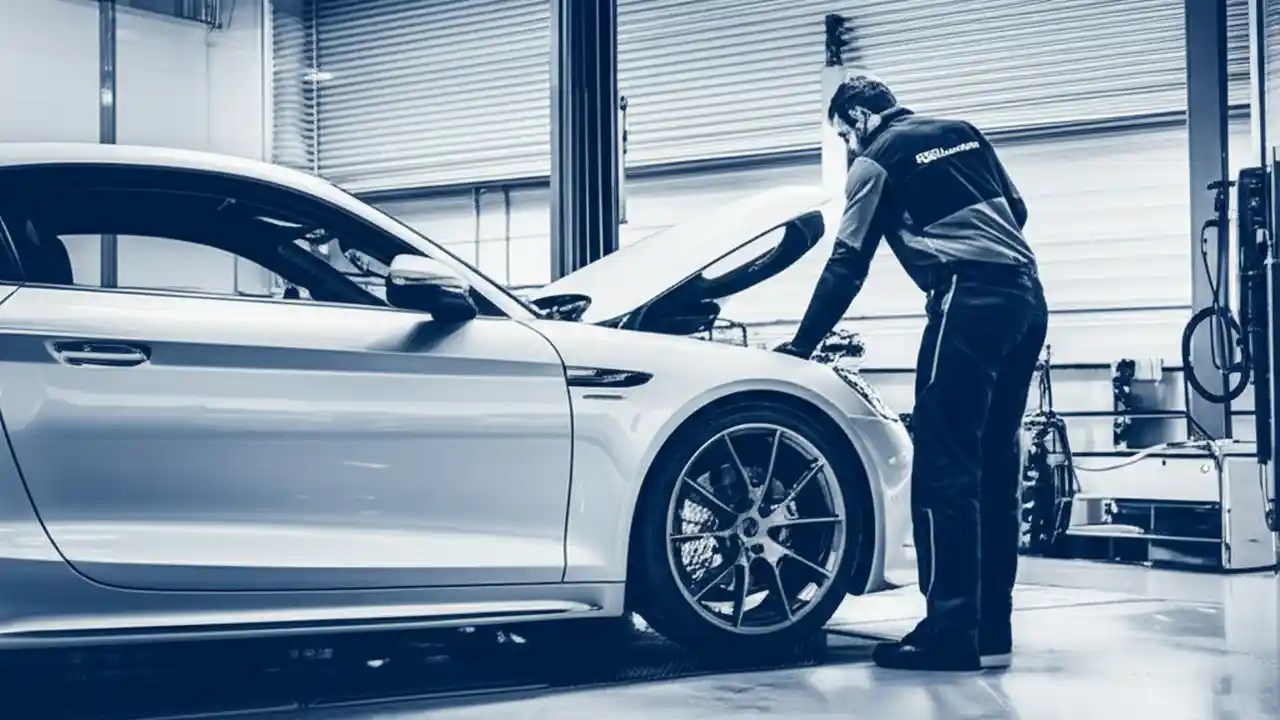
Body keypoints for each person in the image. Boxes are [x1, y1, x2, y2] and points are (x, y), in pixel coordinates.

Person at [775, 74, 1049, 672]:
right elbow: (1018, 212)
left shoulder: (875, 161)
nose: (848, 144)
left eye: (845, 132)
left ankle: (948, 632)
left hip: (967, 303)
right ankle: (990, 628)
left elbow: (847, 263)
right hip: (1027, 300)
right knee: (996, 467)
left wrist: (800, 345)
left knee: (944, 468)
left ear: (858, 116)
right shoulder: (963, 132)